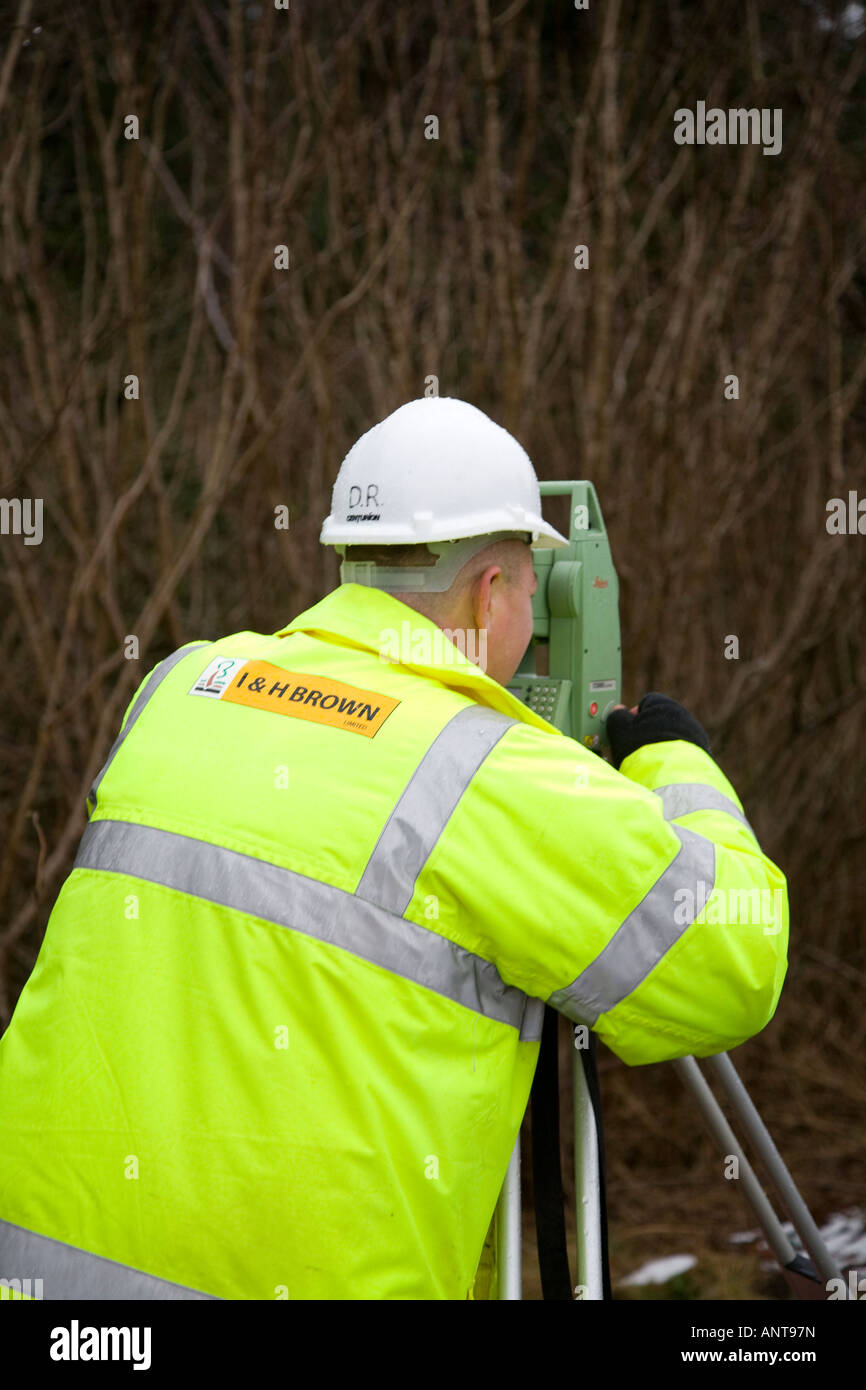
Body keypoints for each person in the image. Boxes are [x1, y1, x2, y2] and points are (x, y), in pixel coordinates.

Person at [0, 397, 788, 1300]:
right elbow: (739, 957)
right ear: (492, 590)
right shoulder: (487, 772)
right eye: (533, 584)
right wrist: (675, 760)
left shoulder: (182, 686)